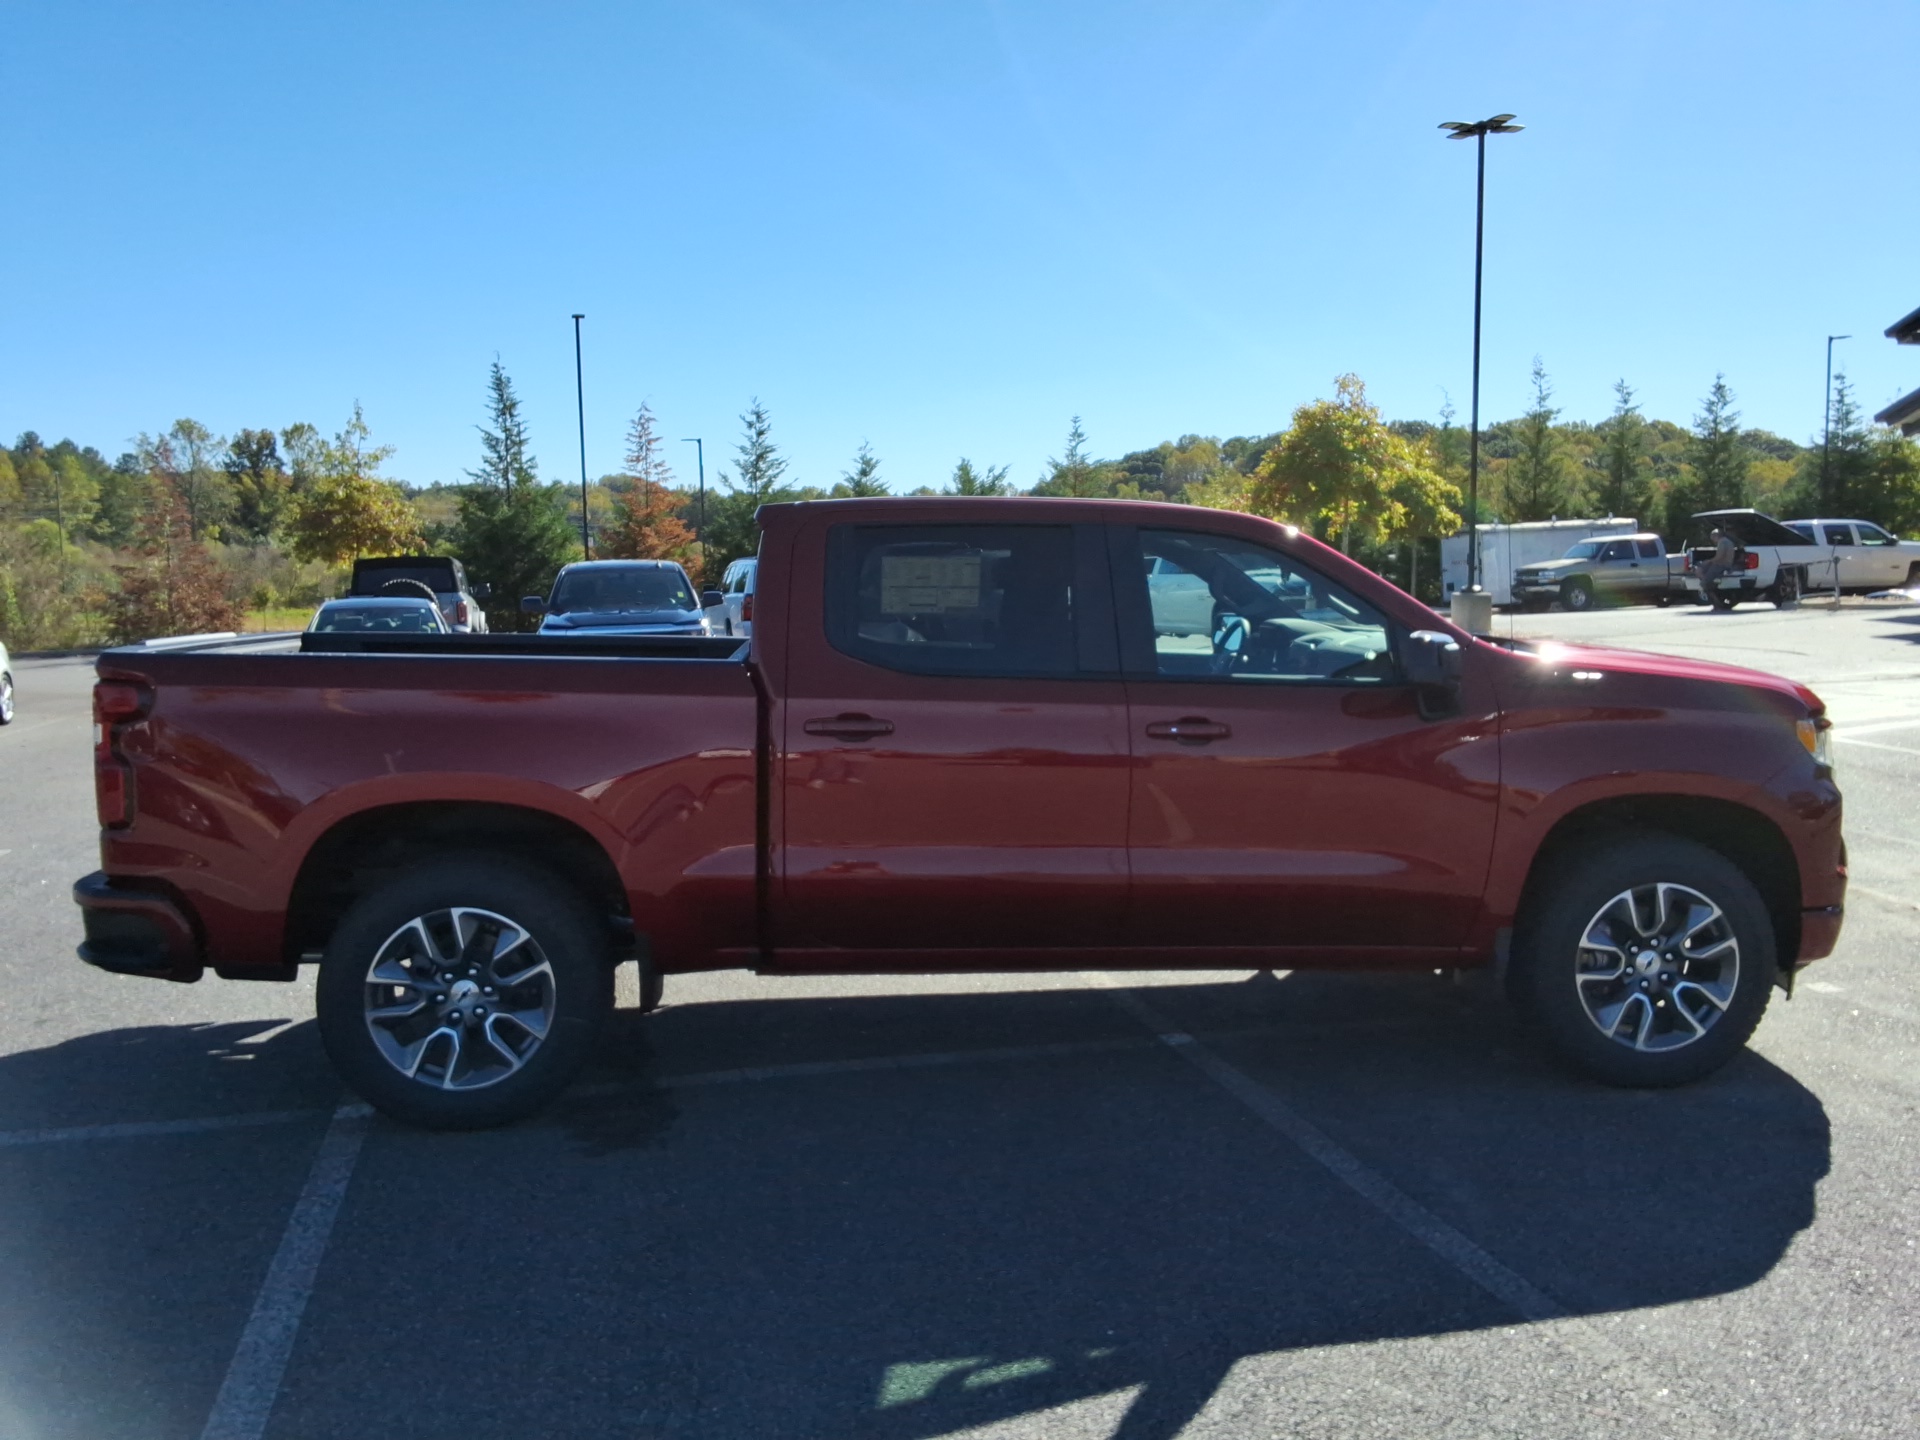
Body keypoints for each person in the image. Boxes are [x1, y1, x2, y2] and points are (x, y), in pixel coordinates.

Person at [1697, 527, 1737, 600]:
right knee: (1703, 569)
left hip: (1721, 565)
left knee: (1704, 581)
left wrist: (1708, 561)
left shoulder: (1722, 542)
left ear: (1716, 536)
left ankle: (1712, 593)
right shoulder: (1729, 541)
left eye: (1713, 538)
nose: (1713, 540)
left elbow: (1719, 556)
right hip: (1727, 564)